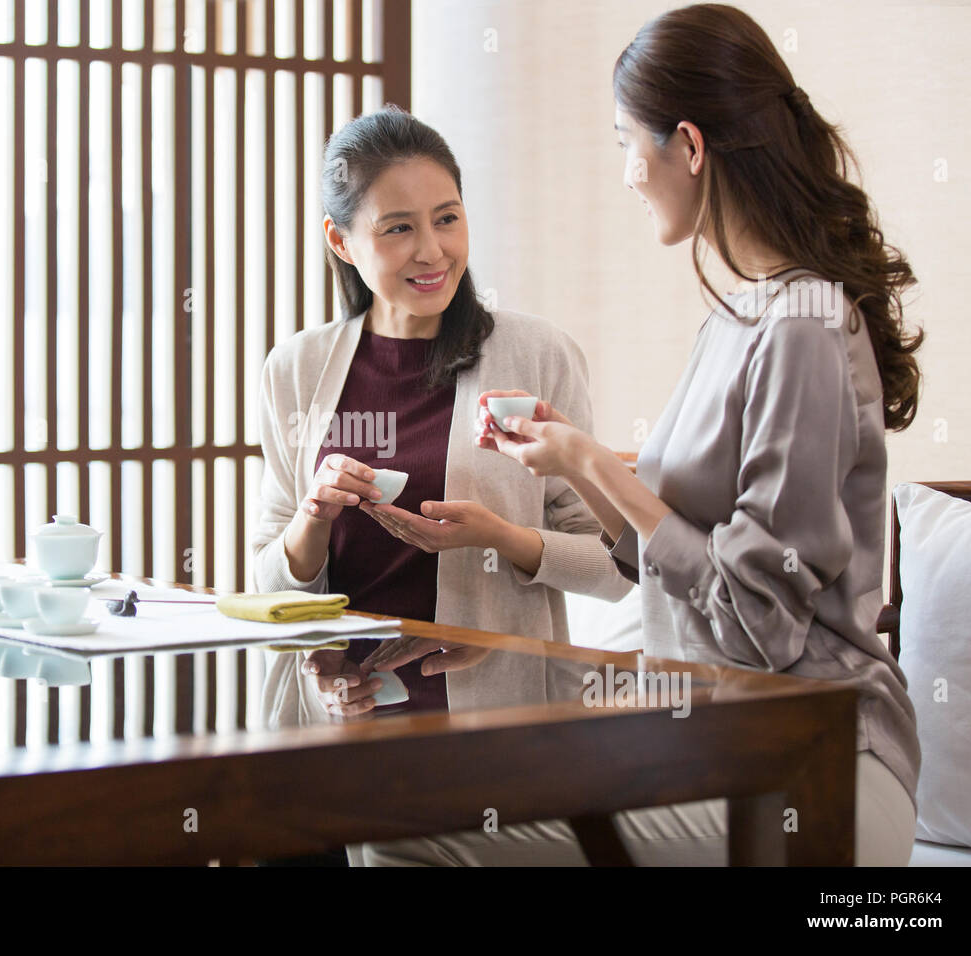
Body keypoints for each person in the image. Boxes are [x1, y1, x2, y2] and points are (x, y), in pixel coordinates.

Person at [357, 3, 924, 866]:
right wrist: (570, 460)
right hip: (710, 732)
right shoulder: (740, 316)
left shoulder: (803, 324)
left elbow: (757, 623)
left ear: (689, 147)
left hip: (816, 763)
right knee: (391, 810)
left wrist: (591, 460)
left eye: (630, 141)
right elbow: (662, 557)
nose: (627, 172)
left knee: (412, 837)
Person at [253, 106, 631, 734]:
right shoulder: (296, 368)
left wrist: (500, 537)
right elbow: (270, 586)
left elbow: (615, 566)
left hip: (492, 728)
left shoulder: (539, 355)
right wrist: (313, 514)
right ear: (341, 241)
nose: (432, 251)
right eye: (398, 228)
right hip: (336, 724)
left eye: (447, 219)